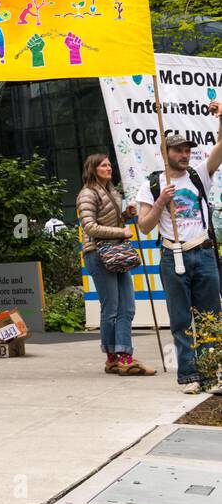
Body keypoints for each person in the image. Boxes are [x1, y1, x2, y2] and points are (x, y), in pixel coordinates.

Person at [135, 118, 222, 394]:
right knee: (181, 318)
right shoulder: (151, 184)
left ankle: (211, 374)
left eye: (187, 150)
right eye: (178, 150)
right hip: (173, 256)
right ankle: (188, 376)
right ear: (165, 153)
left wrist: (220, 118)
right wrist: (161, 200)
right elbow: (144, 226)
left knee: (210, 316)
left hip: (203, 252)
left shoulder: (199, 174)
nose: (184, 155)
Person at [78, 154, 154, 376]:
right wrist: (122, 231)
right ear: (92, 168)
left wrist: (126, 216)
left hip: (115, 253)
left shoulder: (112, 192)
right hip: (98, 254)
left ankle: (120, 356)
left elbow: (111, 220)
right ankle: (118, 358)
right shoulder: (87, 193)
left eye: (110, 164)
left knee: (127, 306)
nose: (108, 167)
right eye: (103, 165)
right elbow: (90, 227)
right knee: (111, 307)